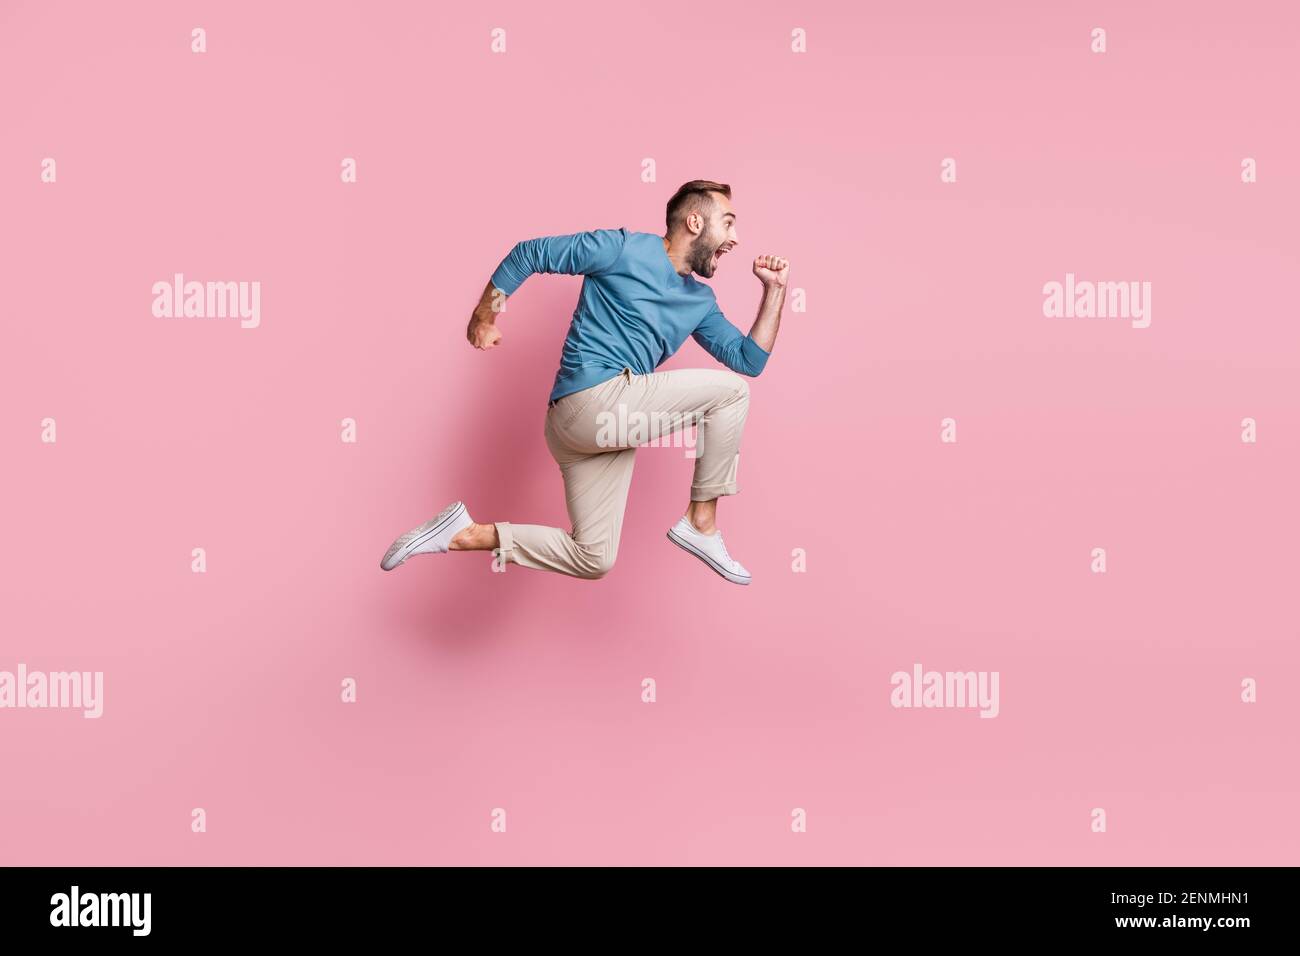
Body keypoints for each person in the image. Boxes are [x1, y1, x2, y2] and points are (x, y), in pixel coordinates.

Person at [380, 180, 788, 585]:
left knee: (594, 557)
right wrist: (484, 316)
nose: (735, 238)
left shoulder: (700, 302)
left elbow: (748, 360)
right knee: (731, 395)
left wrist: (775, 291)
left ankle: (463, 533)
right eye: (728, 223)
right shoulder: (624, 248)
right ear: (695, 222)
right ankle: (701, 522)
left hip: (589, 431)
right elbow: (530, 254)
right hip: (592, 401)